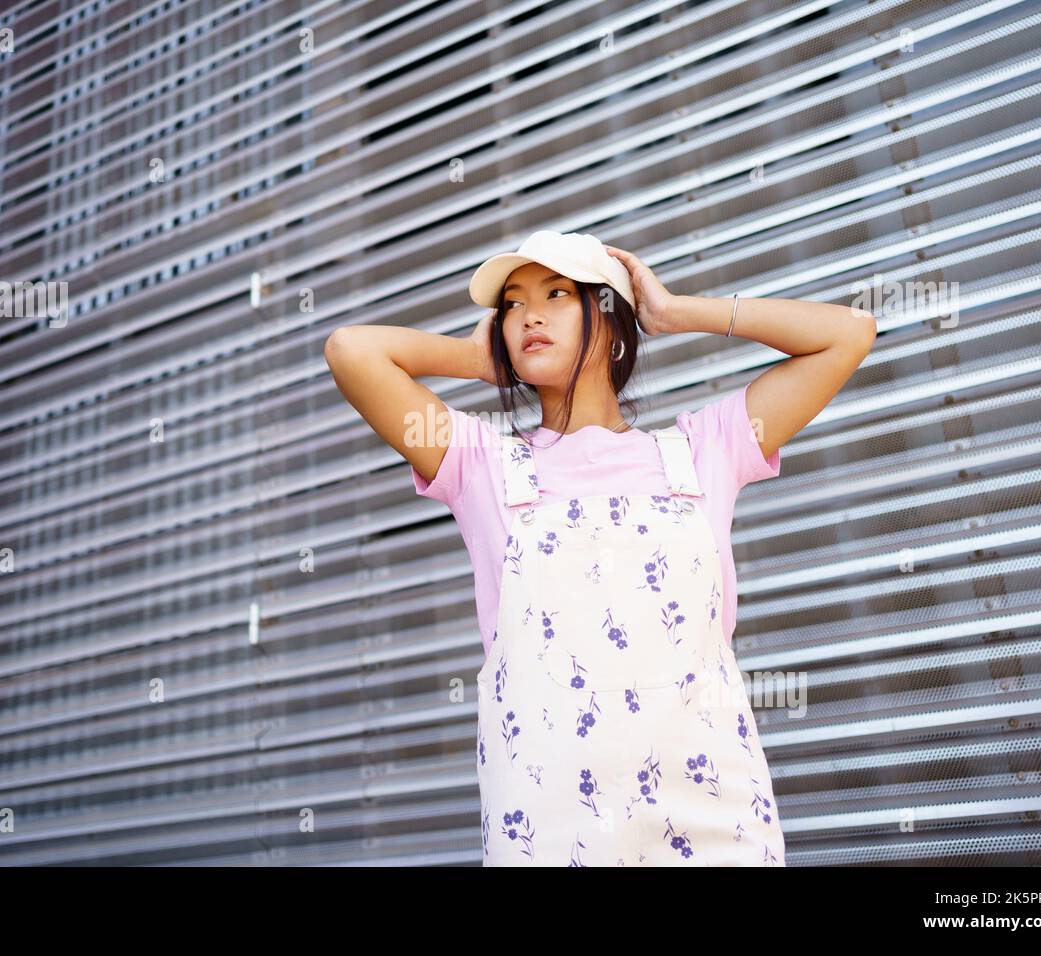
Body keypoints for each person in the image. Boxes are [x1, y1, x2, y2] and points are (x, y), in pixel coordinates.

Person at [324, 230, 875, 866]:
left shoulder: (701, 451)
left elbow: (850, 332)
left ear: (611, 322)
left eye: (557, 293)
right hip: (551, 826)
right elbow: (350, 350)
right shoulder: (483, 466)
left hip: (711, 815)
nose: (529, 315)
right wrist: (478, 361)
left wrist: (674, 311)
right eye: (512, 304)